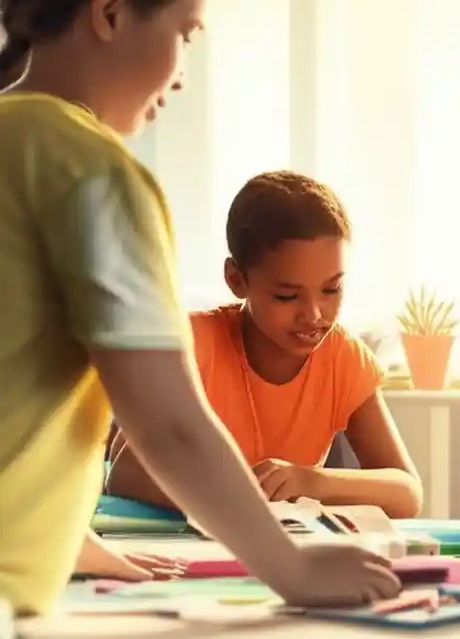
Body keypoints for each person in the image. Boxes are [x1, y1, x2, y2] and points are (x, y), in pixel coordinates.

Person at [0, 0, 398, 615]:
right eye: (185, 35)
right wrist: (291, 567)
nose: (183, 74)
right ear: (110, 8)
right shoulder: (92, 173)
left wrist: (70, 538)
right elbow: (169, 425)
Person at [105, 171, 422, 518]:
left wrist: (313, 482)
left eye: (331, 290)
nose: (314, 315)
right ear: (236, 280)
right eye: (287, 296)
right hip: (178, 546)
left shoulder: (343, 357)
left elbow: (407, 493)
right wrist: (236, 492)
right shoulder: (191, 346)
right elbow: (125, 474)